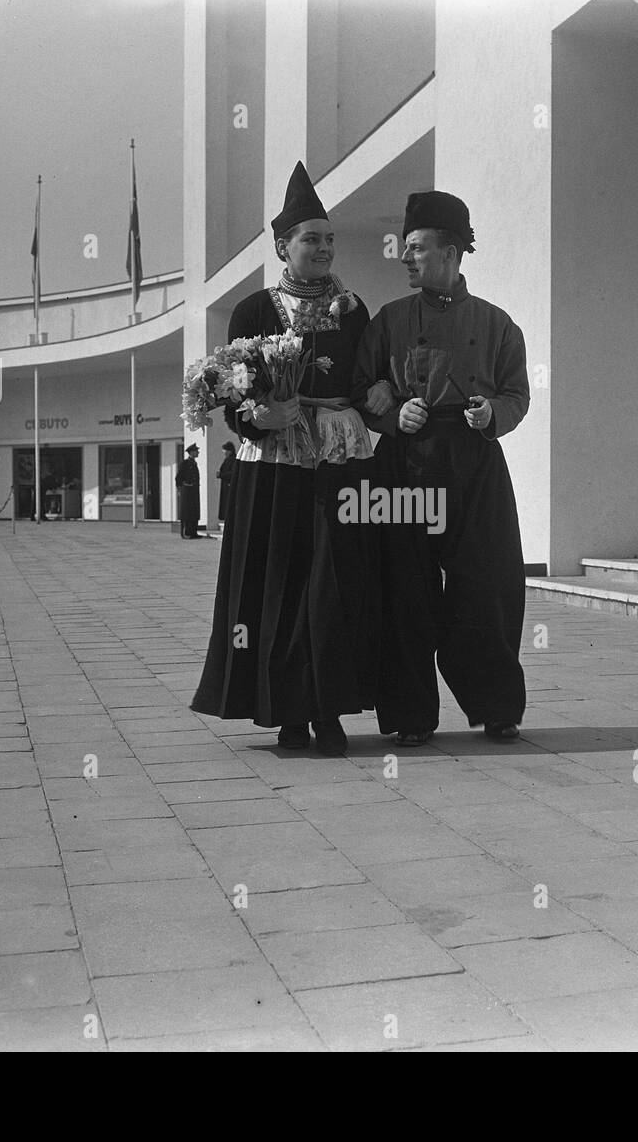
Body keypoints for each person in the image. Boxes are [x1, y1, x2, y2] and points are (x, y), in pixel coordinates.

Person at [191, 161, 392, 754]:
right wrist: (259, 415)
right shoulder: (254, 312)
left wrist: (377, 395)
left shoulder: (353, 311)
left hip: (337, 465)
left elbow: (365, 382)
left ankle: (328, 710)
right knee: (274, 582)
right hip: (273, 470)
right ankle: (288, 713)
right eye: (312, 238)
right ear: (283, 246)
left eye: (329, 239)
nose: (324, 248)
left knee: (334, 583)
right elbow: (232, 391)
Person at [352, 190, 529, 747]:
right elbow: (362, 387)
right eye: (405, 248)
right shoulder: (389, 321)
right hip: (406, 463)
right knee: (406, 586)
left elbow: (517, 395)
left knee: (489, 583)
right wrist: (392, 412)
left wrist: (491, 414)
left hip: (474, 464)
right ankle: (409, 717)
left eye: (416, 248)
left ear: (451, 252)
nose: (406, 258)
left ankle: (497, 707)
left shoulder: (499, 325)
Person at [176, 444, 201, 537]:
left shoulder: (194, 463)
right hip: (187, 491)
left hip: (194, 490)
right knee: (187, 512)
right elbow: (179, 477)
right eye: (196, 451)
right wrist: (181, 487)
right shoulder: (185, 463)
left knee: (194, 511)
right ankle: (186, 532)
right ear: (192, 452)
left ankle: (193, 532)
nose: (198, 453)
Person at [216, 441, 236, 525]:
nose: (224, 453)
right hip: (226, 486)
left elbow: (233, 473)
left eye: (225, 451)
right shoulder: (227, 460)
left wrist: (221, 475)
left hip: (229, 487)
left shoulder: (233, 460)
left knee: (229, 506)